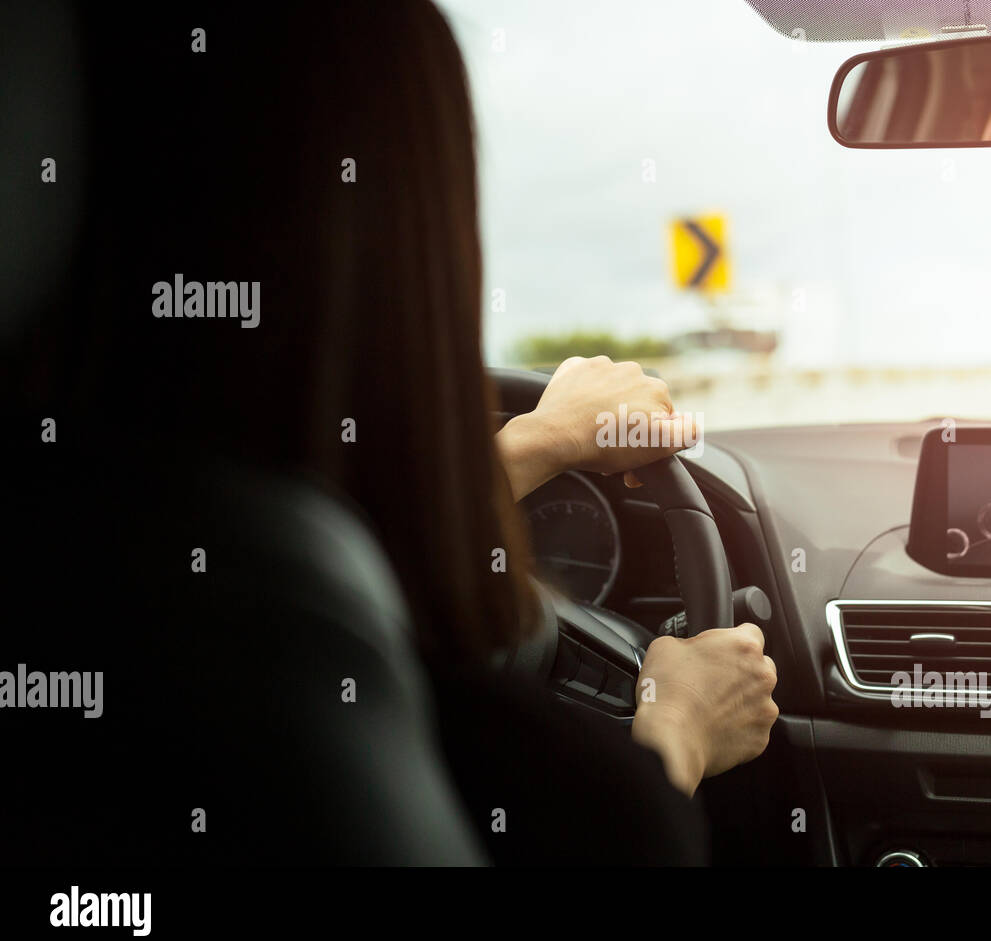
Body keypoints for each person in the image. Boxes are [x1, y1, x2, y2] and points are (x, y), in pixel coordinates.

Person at [5, 0, 777, 863]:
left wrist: (543, 439)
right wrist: (676, 735)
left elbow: (342, 524)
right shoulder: (278, 656)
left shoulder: (94, 567)